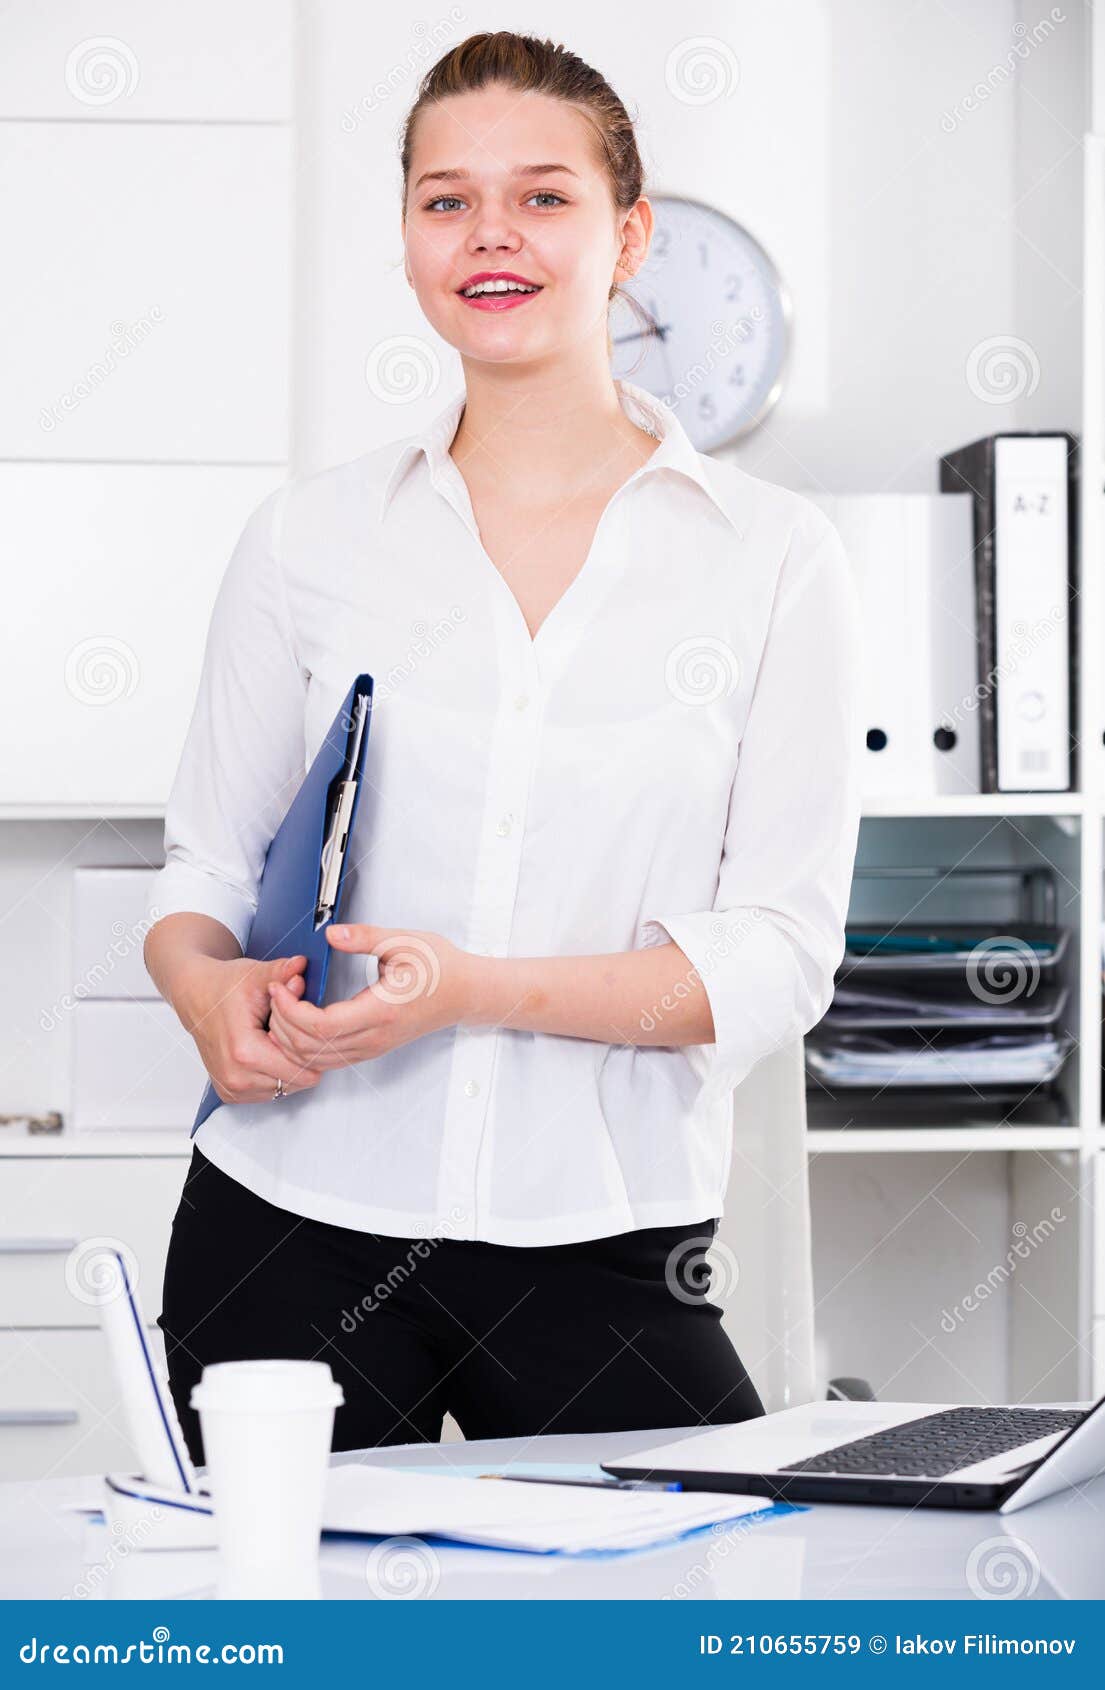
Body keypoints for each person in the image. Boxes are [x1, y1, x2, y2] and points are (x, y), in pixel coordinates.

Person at [143, 30, 861, 1466]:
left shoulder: (774, 559)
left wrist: (471, 992)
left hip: (602, 1239)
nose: (491, 237)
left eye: (542, 197)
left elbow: (777, 958)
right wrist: (203, 990)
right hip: (286, 1224)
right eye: (444, 199)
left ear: (627, 234)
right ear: (407, 235)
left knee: (676, 1634)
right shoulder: (306, 539)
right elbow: (203, 865)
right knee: (300, 1655)